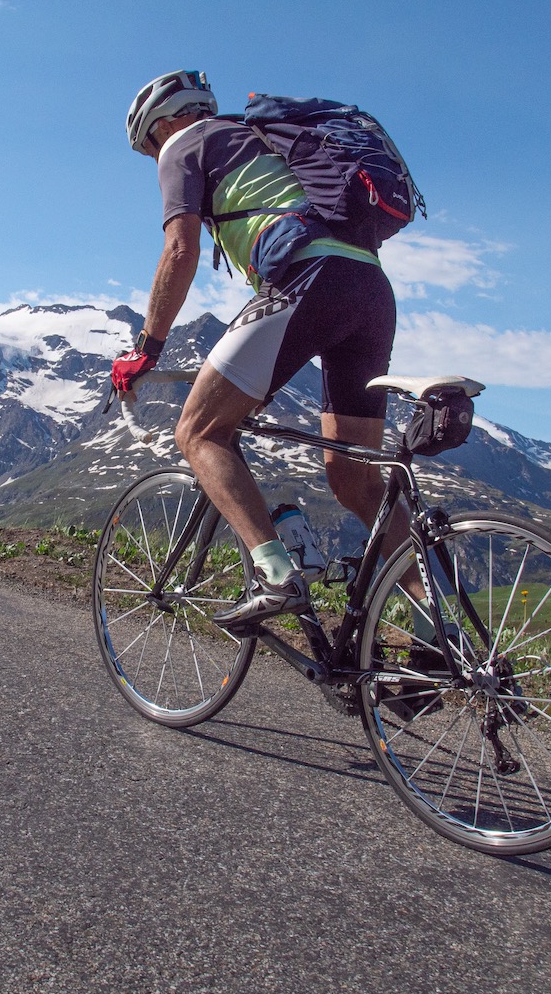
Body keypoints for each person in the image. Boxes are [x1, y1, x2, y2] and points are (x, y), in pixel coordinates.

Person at [112, 69, 399, 630]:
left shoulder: (183, 144)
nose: (154, 158)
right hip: (370, 290)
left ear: (164, 123)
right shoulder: (263, 139)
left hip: (307, 276)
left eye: (149, 145)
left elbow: (179, 250)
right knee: (354, 479)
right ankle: (441, 629)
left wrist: (147, 348)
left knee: (197, 432)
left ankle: (276, 574)